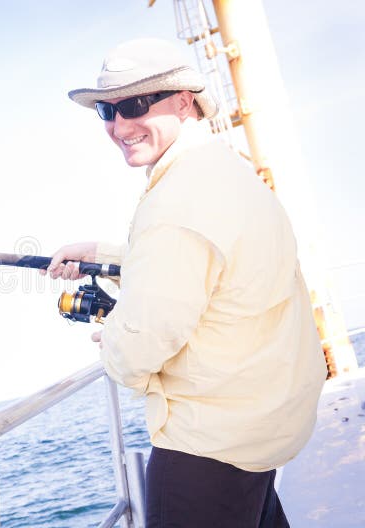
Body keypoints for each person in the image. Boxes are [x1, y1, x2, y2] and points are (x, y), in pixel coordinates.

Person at [42, 38, 327, 527]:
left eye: (134, 105)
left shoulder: (174, 203)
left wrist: (111, 335)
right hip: (257, 426)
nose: (119, 125)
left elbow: (137, 351)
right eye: (107, 111)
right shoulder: (225, 171)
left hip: (209, 445)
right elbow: (208, 260)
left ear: (182, 100)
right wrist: (106, 256)